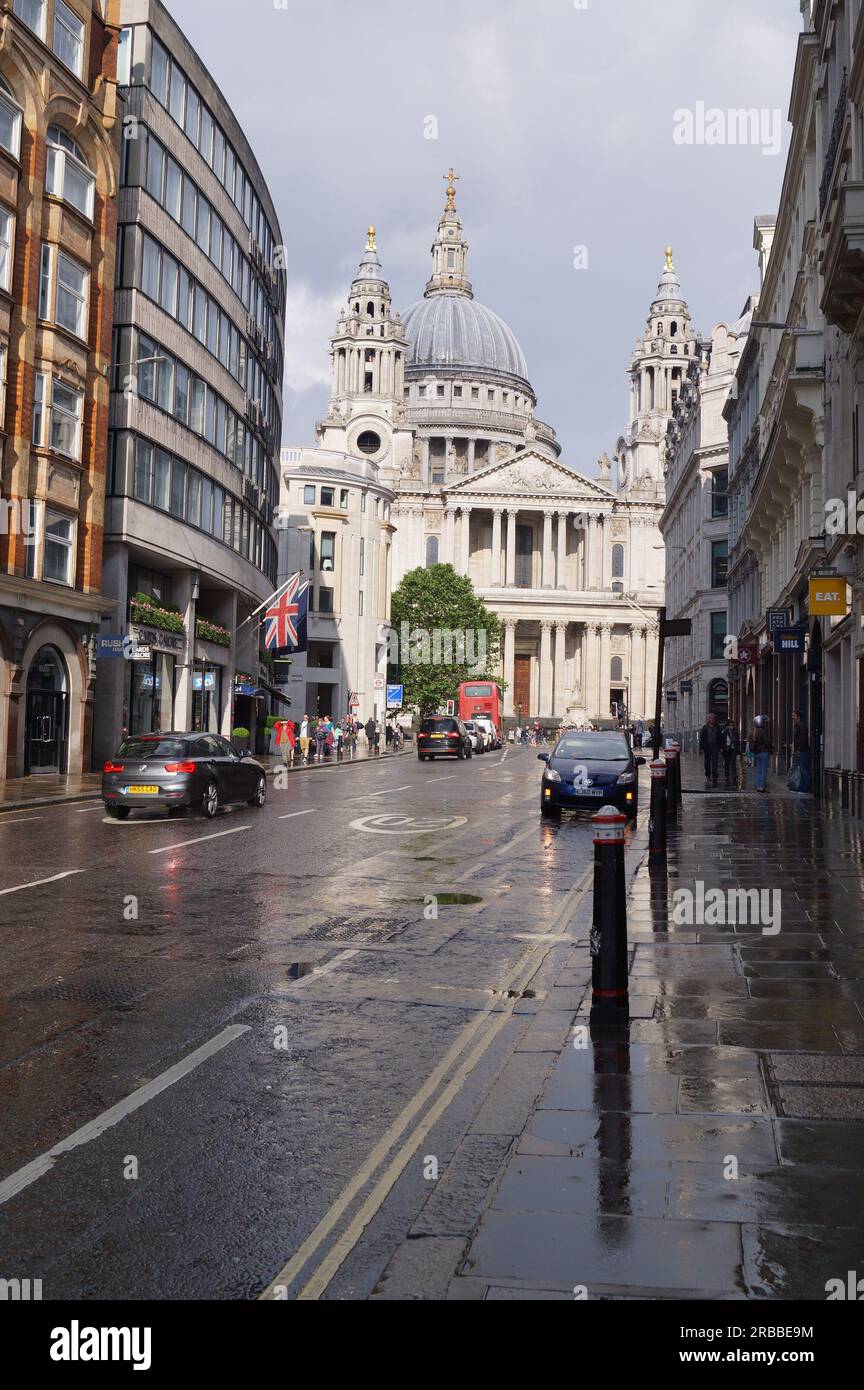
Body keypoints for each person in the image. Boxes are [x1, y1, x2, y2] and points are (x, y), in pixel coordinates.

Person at [699, 712, 722, 786]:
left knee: (715, 761)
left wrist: (721, 747)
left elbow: (720, 738)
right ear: (708, 719)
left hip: (715, 746)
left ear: (715, 719)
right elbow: (701, 738)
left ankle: (714, 776)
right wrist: (701, 748)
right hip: (707, 746)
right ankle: (707, 775)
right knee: (707, 761)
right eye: (710, 718)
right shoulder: (705, 728)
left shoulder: (718, 727)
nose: (711, 719)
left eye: (713, 718)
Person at [791, 709, 811, 792]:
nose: (792, 717)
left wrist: (799, 749)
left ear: (798, 717)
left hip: (803, 751)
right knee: (801, 769)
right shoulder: (797, 725)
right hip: (800, 751)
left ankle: (806, 788)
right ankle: (801, 787)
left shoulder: (801, 725)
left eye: (793, 715)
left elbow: (803, 739)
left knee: (804, 769)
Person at [751, 716, 772, 793]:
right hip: (763, 752)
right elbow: (767, 742)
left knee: (759, 771)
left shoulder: (754, 732)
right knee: (763, 771)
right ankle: (762, 787)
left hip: (757, 753)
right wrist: (771, 748)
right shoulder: (762, 732)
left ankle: (758, 786)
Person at [721, 719, 740, 787]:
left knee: (733, 762)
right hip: (726, 749)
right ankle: (727, 775)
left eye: (732, 725)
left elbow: (737, 741)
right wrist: (722, 748)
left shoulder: (735, 732)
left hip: (733, 749)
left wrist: (737, 748)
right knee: (727, 763)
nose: (731, 726)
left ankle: (734, 775)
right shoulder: (724, 732)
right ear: (727, 726)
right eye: (730, 725)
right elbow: (722, 740)